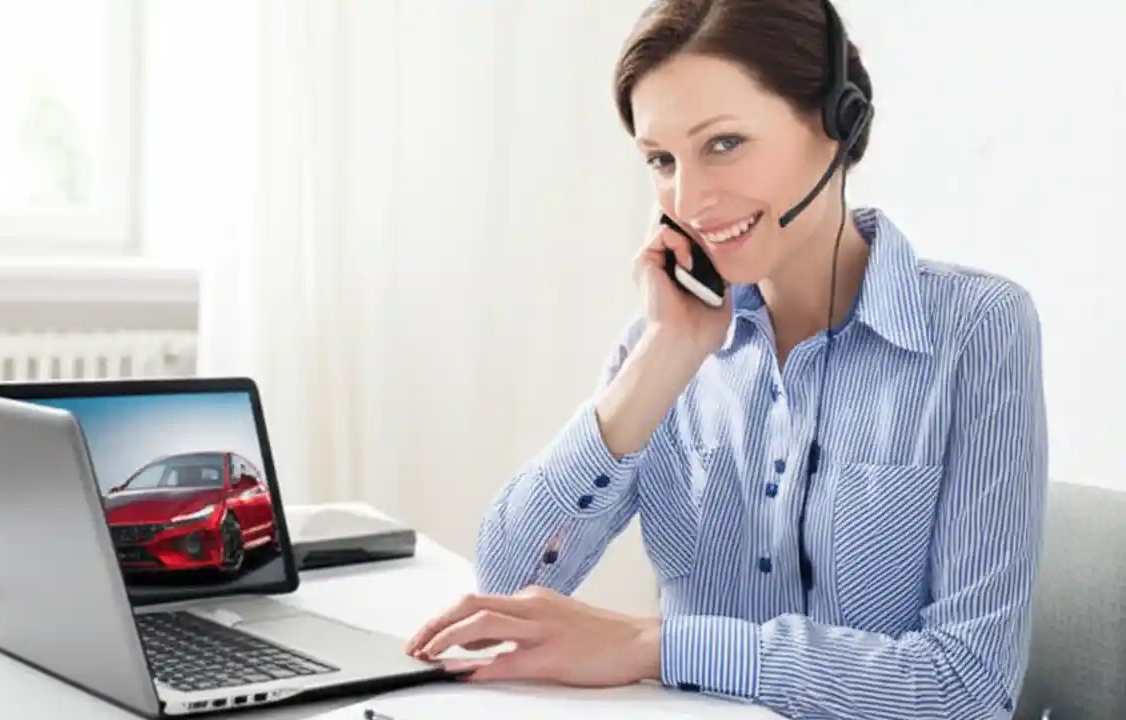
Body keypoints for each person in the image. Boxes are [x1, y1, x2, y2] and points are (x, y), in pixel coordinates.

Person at [404, 0, 1048, 718]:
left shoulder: (976, 331)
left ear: (838, 122)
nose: (690, 199)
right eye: (661, 160)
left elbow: (968, 690)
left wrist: (660, 646)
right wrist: (668, 355)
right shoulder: (665, 344)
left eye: (724, 144)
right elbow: (511, 576)